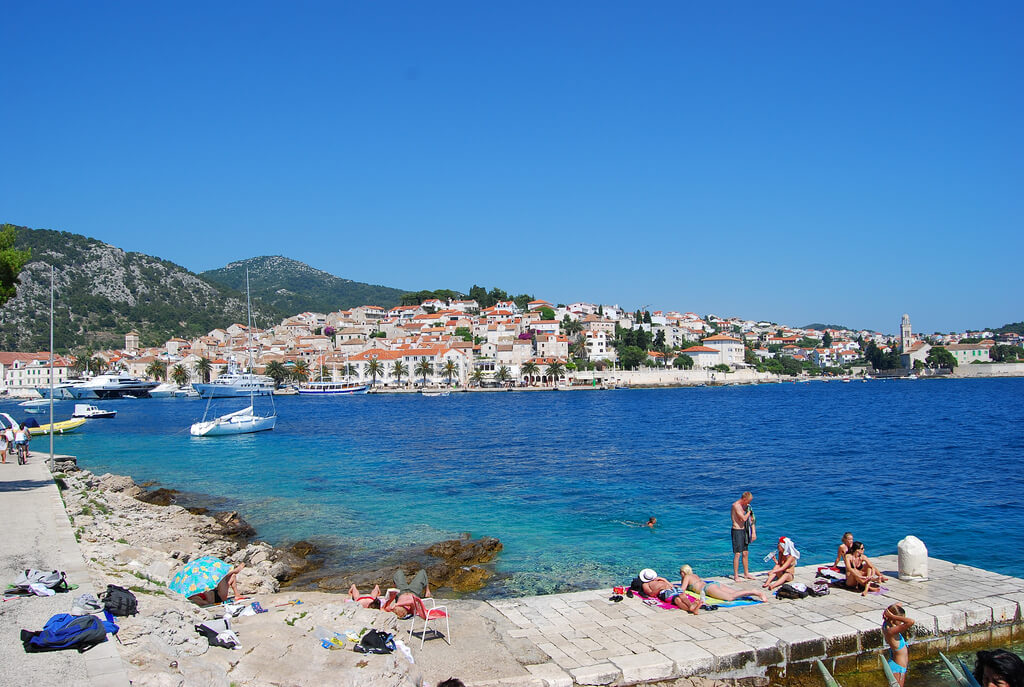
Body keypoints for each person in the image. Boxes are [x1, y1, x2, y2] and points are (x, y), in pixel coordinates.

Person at [679, 564, 767, 603]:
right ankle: (752, 591)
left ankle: (754, 591)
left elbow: (682, 589)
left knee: (730, 597)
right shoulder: (694, 575)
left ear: (683, 572)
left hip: (708, 589)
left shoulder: (687, 577)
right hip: (714, 584)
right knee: (734, 592)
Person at [632, 568, 701, 614]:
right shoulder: (645, 584)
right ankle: (691, 608)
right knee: (677, 600)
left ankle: (691, 606)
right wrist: (659, 588)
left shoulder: (658, 579)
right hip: (664, 592)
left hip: (672, 589)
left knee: (682, 595)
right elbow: (651, 594)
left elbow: (671, 585)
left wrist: (664, 580)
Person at [882, 604, 915, 685]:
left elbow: (897, 605)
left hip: (898, 666)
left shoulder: (887, 625)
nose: (901, 622)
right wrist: (893, 616)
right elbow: (911, 622)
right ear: (892, 618)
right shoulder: (891, 631)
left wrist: (890, 613)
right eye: (900, 619)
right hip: (897, 668)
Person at [731, 492, 757, 581]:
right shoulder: (736, 506)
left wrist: (753, 532)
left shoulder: (747, 506)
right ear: (744, 499)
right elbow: (743, 518)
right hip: (737, 530)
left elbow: (752, 519)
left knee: (745, 553)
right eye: (748, 501)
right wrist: (748, 512)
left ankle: (746, 573)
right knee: (738, 554)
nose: (749, 503)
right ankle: (736, 575)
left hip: (745, 530)